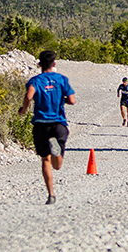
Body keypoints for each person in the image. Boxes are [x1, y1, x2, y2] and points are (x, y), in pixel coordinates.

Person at [18, 50, 76, 205]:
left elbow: (29, 96)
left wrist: (23, 110)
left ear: (39, 64)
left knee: (45, 159)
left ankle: (51, 194)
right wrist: (62, 100)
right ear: (54, 64)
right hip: (58, 123)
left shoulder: (35, 81)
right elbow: (72, 100)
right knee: (57, 165)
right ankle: (56, 150)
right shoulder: (61, 79)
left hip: (41, 124)